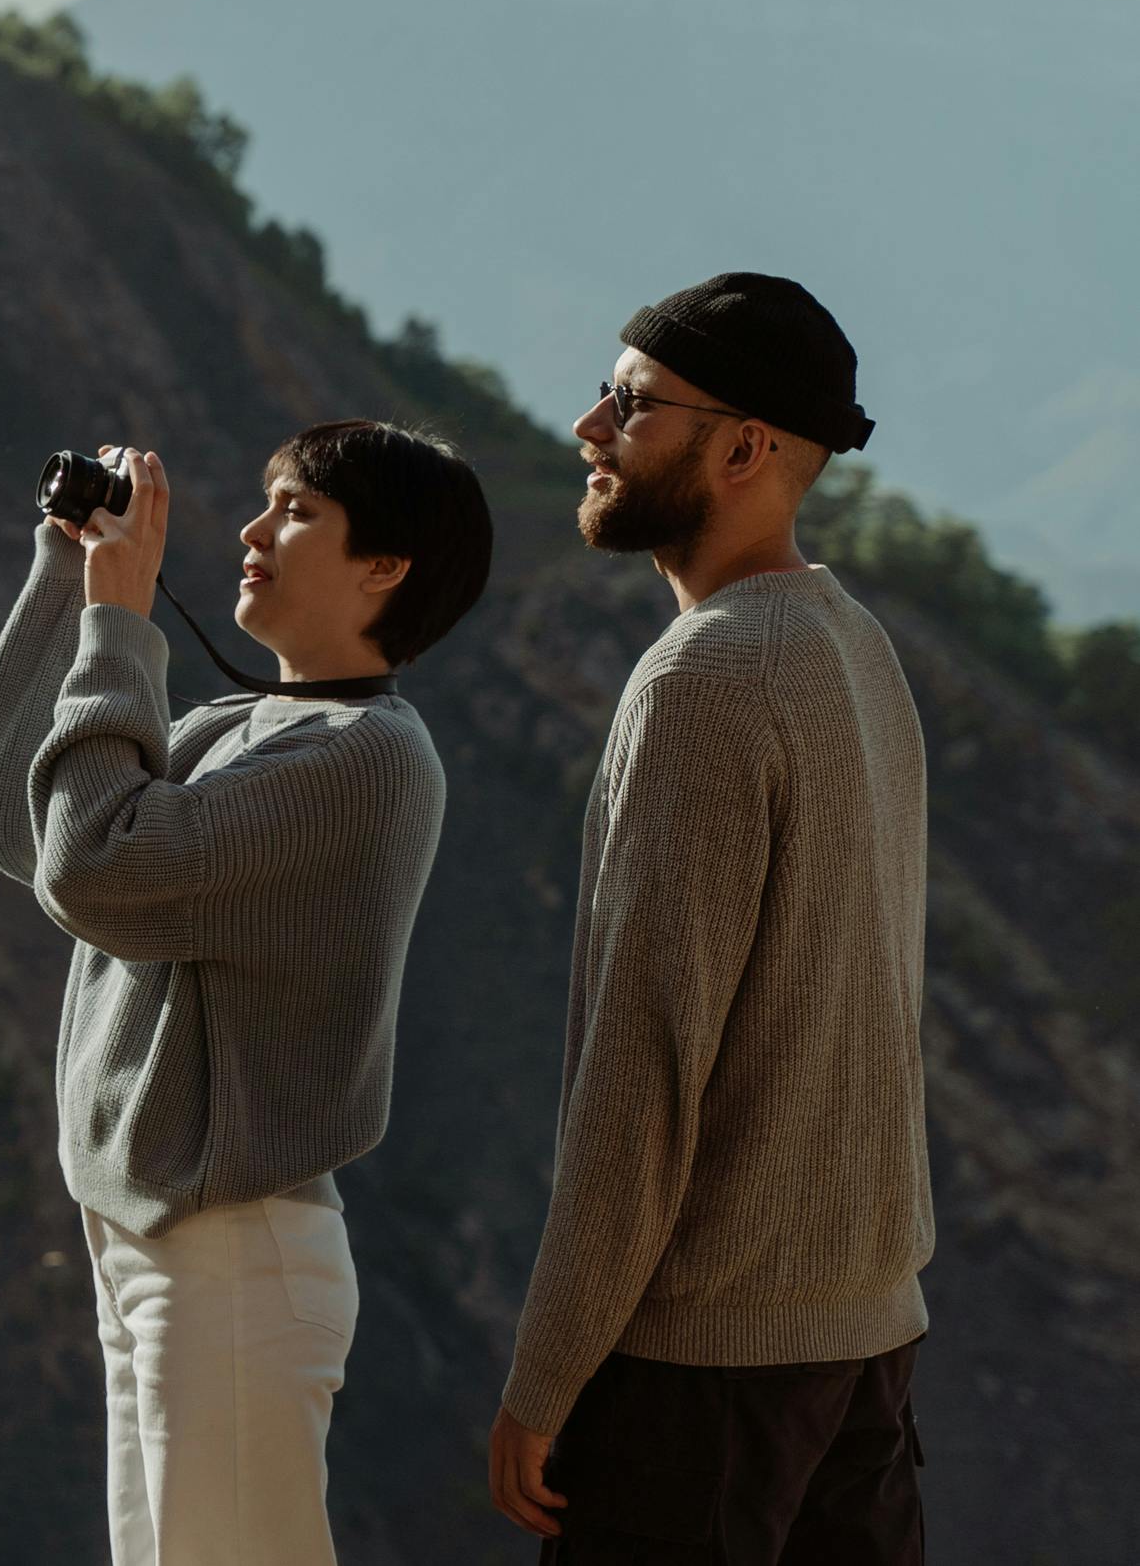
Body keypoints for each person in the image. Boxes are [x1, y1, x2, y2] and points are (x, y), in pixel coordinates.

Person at [0, 422, 493, 1566]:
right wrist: (68, 572)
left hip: (232, 1250)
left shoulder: (366, 755)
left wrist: (119, 622)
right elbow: (10, 808)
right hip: (150, 1239)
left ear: (383, 565)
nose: (249, 531)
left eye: (294, 510)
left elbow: (98, 865)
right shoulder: (229, 729)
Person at [488, 273, 931, 1564]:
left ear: (743, 447)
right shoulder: (856, 646)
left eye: (631, 404)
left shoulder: (706, 677)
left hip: (710, 1375)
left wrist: (547, 1371)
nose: (588, 426)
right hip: (865, 1344)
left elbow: (648, 1067)